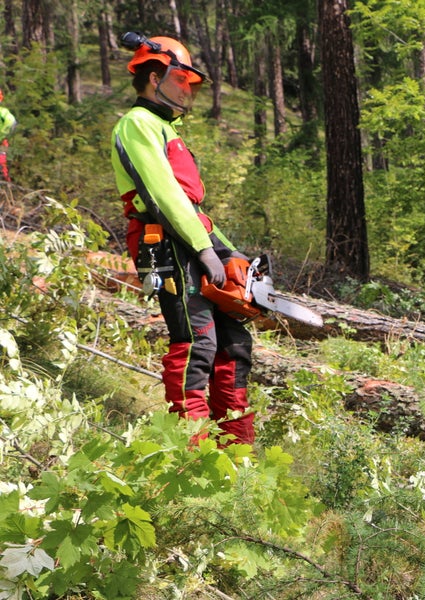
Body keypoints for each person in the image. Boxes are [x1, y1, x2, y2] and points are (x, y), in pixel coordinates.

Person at [110, 33, 255, 446]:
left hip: (193, 236)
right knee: (196, 342)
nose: (187, 89)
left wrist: (227, 251)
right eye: (181, 80)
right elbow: (162, 195)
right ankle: (190, 453)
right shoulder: (137, 124)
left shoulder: (164, 128)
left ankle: (237, 452)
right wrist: (205, 249)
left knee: (233, 344)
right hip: (166, 241)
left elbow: (192, 208)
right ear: (155, 76)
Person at [0, 89, 17, 182]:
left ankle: (6, 185)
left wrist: (2, 135)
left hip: (2, 143)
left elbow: (11, 123)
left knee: (2, 164)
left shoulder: (3, 113)